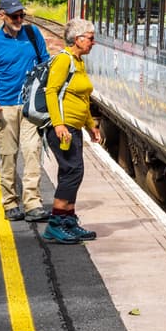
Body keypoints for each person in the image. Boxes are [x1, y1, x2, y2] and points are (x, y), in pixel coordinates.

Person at [0, 0, 50, 222]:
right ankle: (10, 202)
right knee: (8, 155)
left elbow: (46, 65)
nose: (19, 19)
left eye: (21, 15)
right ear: (1, 16)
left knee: (33, 151)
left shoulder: (33, 35)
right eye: (14, 16)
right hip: (4, 105)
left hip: (30, 106)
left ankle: (33, 202)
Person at [41, 18, 102, 244]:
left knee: (73, 173)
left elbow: (83, 99)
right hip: (63, 129)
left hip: (74, 128)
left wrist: (90, 125)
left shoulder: (78, 61)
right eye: (91, 38)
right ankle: (55, 225)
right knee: (71, 172)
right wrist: (58, 125)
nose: (93, 43)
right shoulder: (63, 61)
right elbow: (51, 92)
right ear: (78, 39)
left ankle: (68, 221)